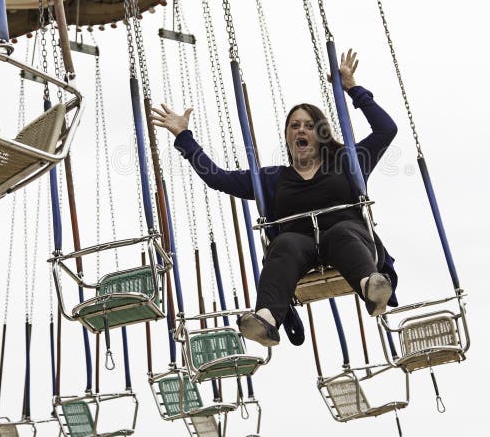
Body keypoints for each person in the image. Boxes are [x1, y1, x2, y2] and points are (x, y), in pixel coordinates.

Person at [150, 50, 398, 348]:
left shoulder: (347, 162)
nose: (301, 130)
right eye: (295, 126)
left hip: (348, 238)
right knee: (285, 243)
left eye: (309, 125)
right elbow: (217, 178)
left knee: (342, 232)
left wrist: (353, 88)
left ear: (321, 135)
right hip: (299, 250)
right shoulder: (271, 179)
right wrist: (184, 136)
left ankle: (371, 287)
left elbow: (386, 129)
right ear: (288, 137)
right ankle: (266, 319)